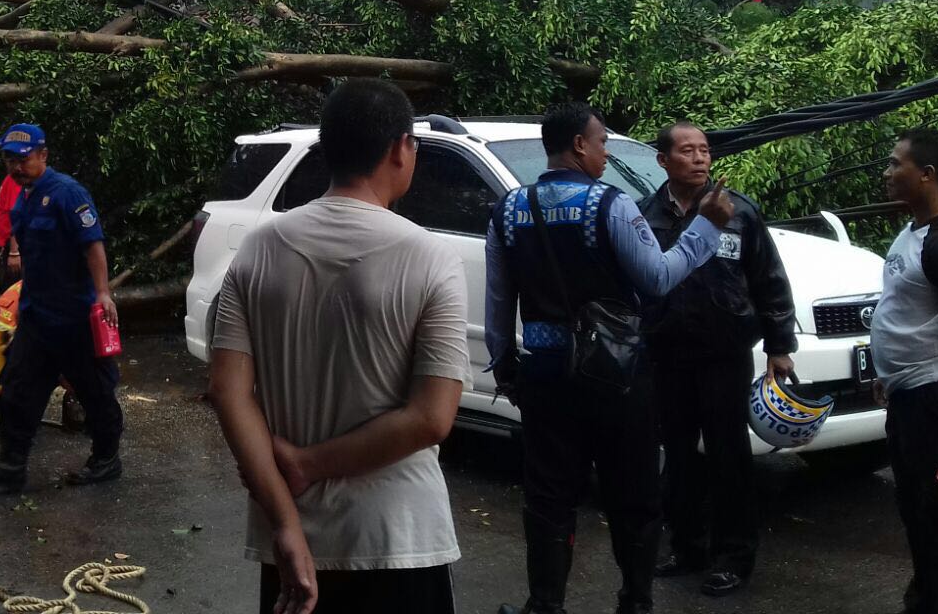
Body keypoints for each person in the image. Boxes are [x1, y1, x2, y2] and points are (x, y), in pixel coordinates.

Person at [209, 79, 470, 614]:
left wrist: (284, 521)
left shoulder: (256, 251)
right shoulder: (430, 257)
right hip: (398, 539)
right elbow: (431, 419)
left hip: (292, 543)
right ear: (401, 148)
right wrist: (309, 462)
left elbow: (228, 393)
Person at [487, 102, 735, 614]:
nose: (604, 153)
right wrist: (706, 226)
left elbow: (497, 304)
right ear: (579, 144)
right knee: (633, 493)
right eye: (601, 143)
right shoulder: (611, 204)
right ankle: (635, 602)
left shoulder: (508, 211)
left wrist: (507, 366)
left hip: (545, 372)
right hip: (617, 375)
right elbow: (659, 278)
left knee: (549, 497)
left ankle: (545, 604)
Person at [641, 120, 797, 598]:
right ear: (663, 161)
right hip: (668, 355)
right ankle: (687, 547)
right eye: (687, 151)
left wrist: (779, 345)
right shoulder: (644, 215)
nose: (700, 158)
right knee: (680, 458)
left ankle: (733, 556)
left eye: (704, 150)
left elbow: (769, 278)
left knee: (730, 458)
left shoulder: (739, 212)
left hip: (725, 355)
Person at [0, 124, 123, 493]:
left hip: (74, 317)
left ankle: (106, 459)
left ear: (43, 155)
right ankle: (11, 467)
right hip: (37, 316)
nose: (16, 166)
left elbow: (93, 245)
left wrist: (103, 294)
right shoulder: (23, 197)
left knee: (95, 391)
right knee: (18, 390)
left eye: (23, 159)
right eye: (10, 159)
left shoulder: (67, 193)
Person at [873, 127, 938, 614]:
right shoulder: (914, 230)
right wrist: (890, 372)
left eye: (897, 164)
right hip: (912, 398)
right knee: (918, 514)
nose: (889, 173)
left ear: (927, 175)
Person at [0, 145, 24, 279]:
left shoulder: (16, 180)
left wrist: (14, 252)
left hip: (18, 246)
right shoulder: (10, 179)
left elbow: (16, 215)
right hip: (9, 243)